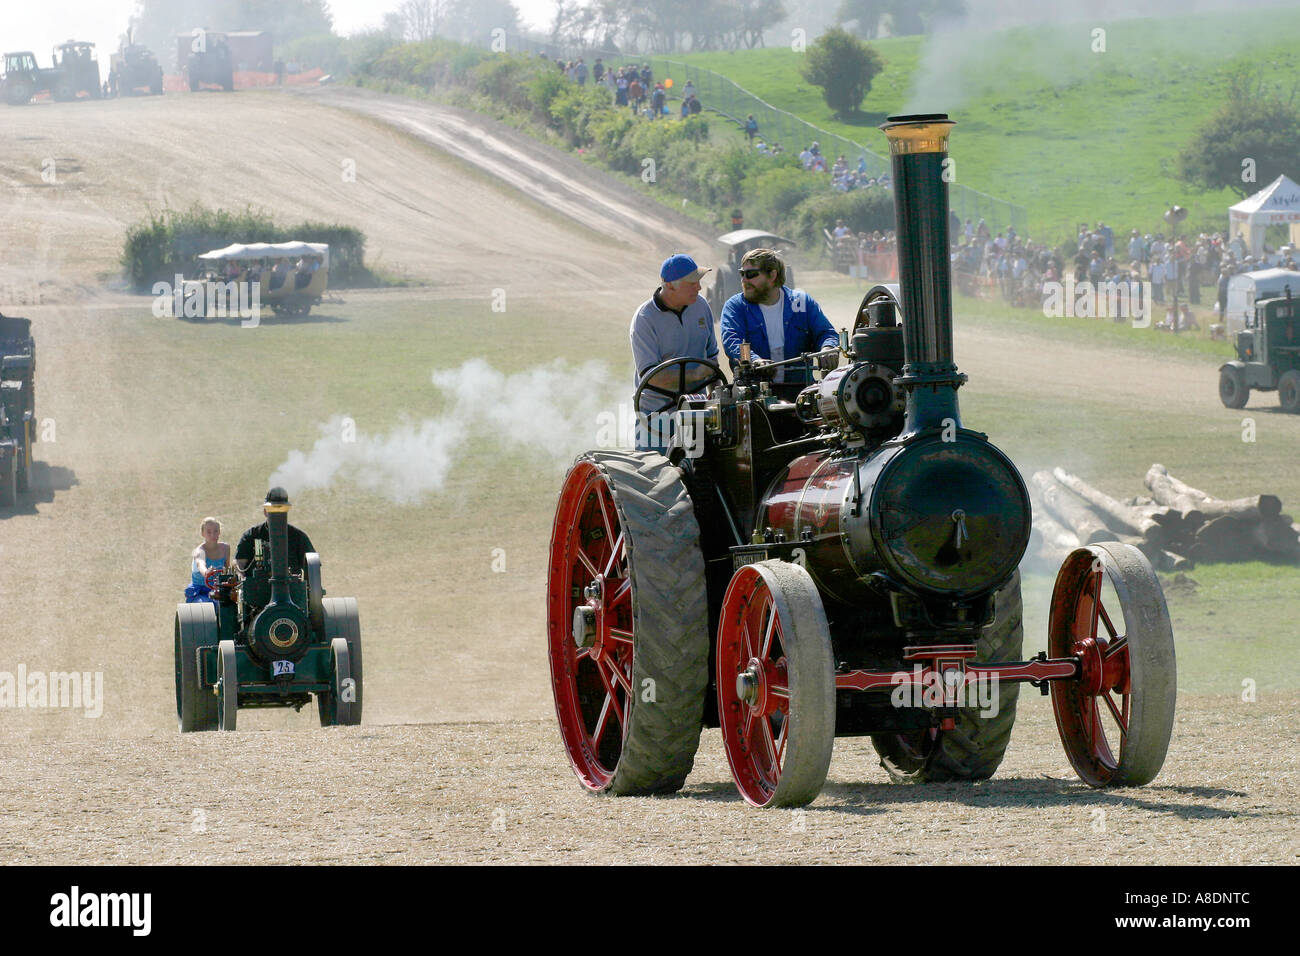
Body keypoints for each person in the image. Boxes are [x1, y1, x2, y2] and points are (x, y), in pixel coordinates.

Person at [720, 247, 838, 401]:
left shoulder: (801, 302)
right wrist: (755, 360)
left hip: (801, 394)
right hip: (754, 396)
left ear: (772, 275)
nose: (744, 280)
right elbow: (732, 341)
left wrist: (828, 348)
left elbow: (826, 333)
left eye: (751, 274)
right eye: (742, 274)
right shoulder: (735, 306)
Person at [630, 254, 719, 452]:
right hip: (656, 416)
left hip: (697, 411)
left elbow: (712, 358)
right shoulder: (644, 319)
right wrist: (694, 376)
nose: (699, 288)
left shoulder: (701, 306)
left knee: (701, 474)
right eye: (692, 283)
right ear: (670, 285)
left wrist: (716, 396)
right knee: (654, 477)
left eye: (699, 282)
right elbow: (651, 377)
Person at [236, 487, 316, 576]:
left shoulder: (298, 537)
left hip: (291, 587)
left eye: (280, 510)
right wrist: (242, 579)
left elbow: (313, 565)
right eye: (273, 510)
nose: (277, 515)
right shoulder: (251, 535)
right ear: (265, 511)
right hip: (256, 587)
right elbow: (239, 563)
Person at [186, 517, 231, 602]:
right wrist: (207, 572)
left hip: (220, 591)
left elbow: (227, 570)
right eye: (209, 532)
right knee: (209, 605)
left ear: (220, 532)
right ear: (202, 533)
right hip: (201, 592)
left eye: (216, 531)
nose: (213, 535)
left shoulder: (226, 548)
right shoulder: (199, 551)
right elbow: (201, 564)